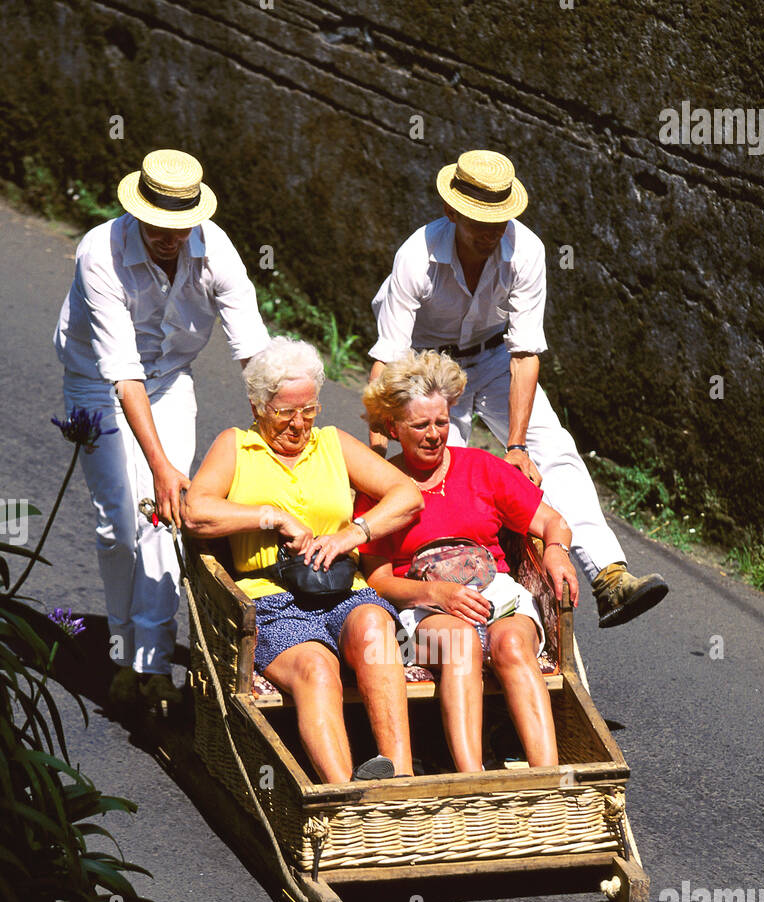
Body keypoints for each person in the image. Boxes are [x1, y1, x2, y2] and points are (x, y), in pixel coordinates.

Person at [367, 148, 668, 629]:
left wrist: (517, 445)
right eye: (480, 221)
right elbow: (388, 359)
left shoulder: (526, 250)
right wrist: (381, 444)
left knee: (556, 449)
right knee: (446, 477)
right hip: (427, 367)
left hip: (492, 358)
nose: (492, 232)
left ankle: (609, 576)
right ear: (452, 212)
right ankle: (452, 612)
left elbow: (525, 353)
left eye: (500, 220)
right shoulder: (415, 257)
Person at [54, 148, 270, 708]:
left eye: (181, 226)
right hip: (97, 383)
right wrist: (161, 465)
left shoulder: (215, 248)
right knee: (118, 524)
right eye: (158, 224)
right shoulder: (99, 251)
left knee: (163, 517)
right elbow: (121, 372)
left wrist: (283, 424)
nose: (169, 236)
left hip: (170, 381)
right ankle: (122, 650)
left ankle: (148, 666)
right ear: (137, 209)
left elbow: (254, 351)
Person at [182, 336, 423, 784]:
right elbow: (195, 512)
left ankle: (399, 779)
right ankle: (343, 796)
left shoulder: (333, 444)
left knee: (374, 628)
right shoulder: (236, 446)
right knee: (316, 667)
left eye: (308, 410)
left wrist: (353, 533)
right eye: (285, 412)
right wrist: (271, 517)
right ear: (258, 406)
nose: (298, 424)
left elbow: (407, 495)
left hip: (342, 589)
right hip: (271, 600)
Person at [356, 350, 579, 774]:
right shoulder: (380, 486)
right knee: (459, 645)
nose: (435, 434)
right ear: (392, 427)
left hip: (495, 592)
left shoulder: (481, 467)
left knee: (512, 644)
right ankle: (471, 778)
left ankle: (548, 779)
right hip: (422, 606)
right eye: (420, 425)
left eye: (442, 422)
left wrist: (555, 550)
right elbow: (379, 581)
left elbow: (552, 522)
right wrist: (436, 593)